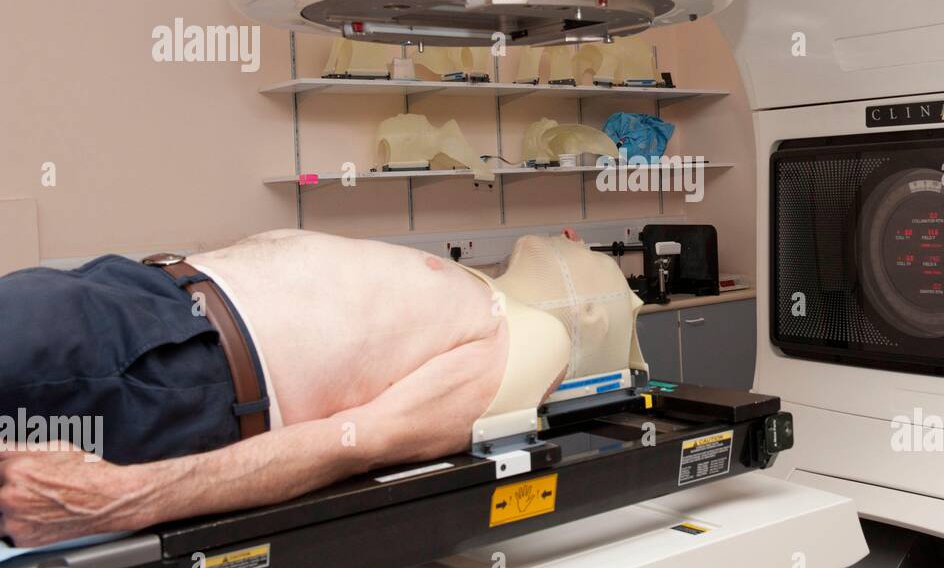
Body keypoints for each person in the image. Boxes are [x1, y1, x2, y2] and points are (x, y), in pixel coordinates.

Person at [0, 228, 636, 547]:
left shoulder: (532, 344)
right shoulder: (473, 286)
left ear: (588, 314)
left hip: (175, 366)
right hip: (135, 299)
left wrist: (122, 499)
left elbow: (347, 444)